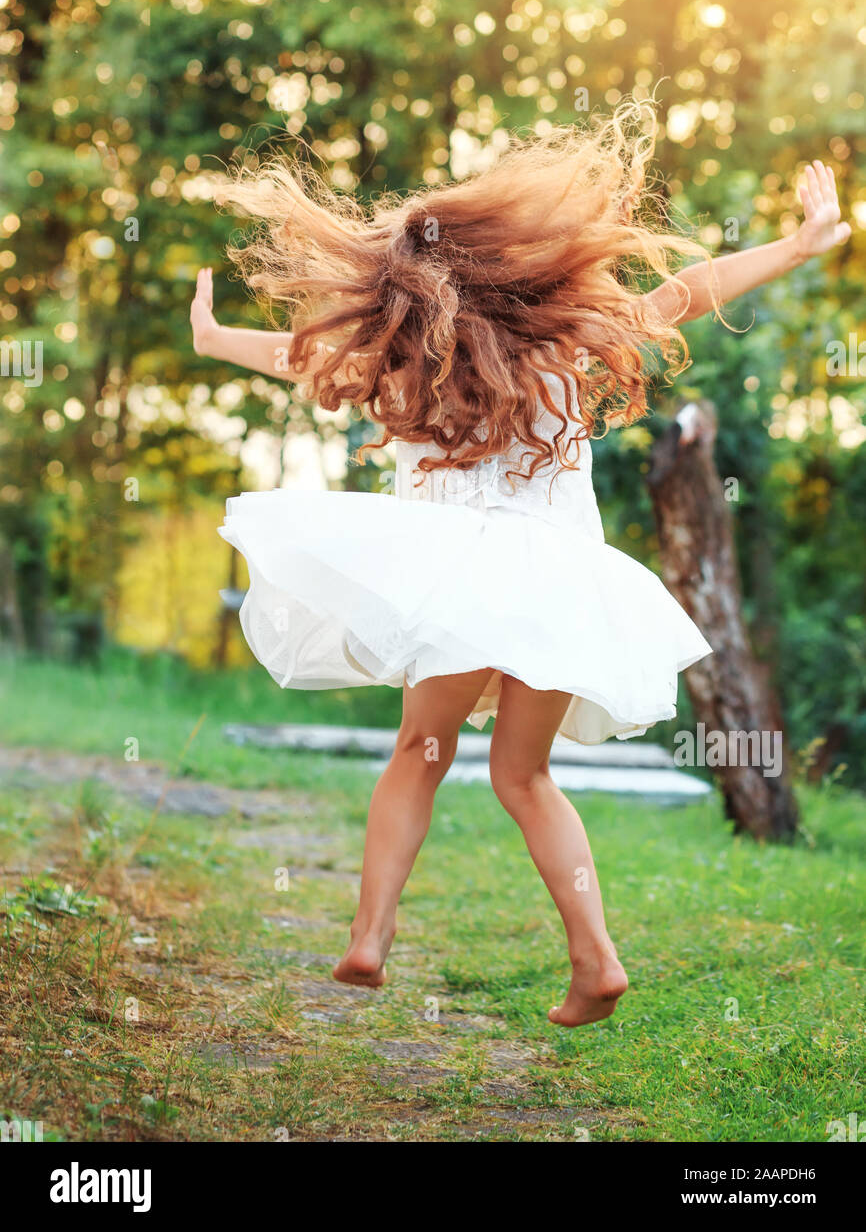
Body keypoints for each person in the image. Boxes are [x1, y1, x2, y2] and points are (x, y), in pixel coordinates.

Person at [191, 104, 850, 1025]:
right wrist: (796, 244)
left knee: (420, 753)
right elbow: (689, 292)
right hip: (559, 586)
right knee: (524, 776)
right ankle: (596, 959)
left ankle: (371, 936)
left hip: (460, 583)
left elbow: (307, 360)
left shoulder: (411, 357)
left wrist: (218, 340)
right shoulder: (567, 343)